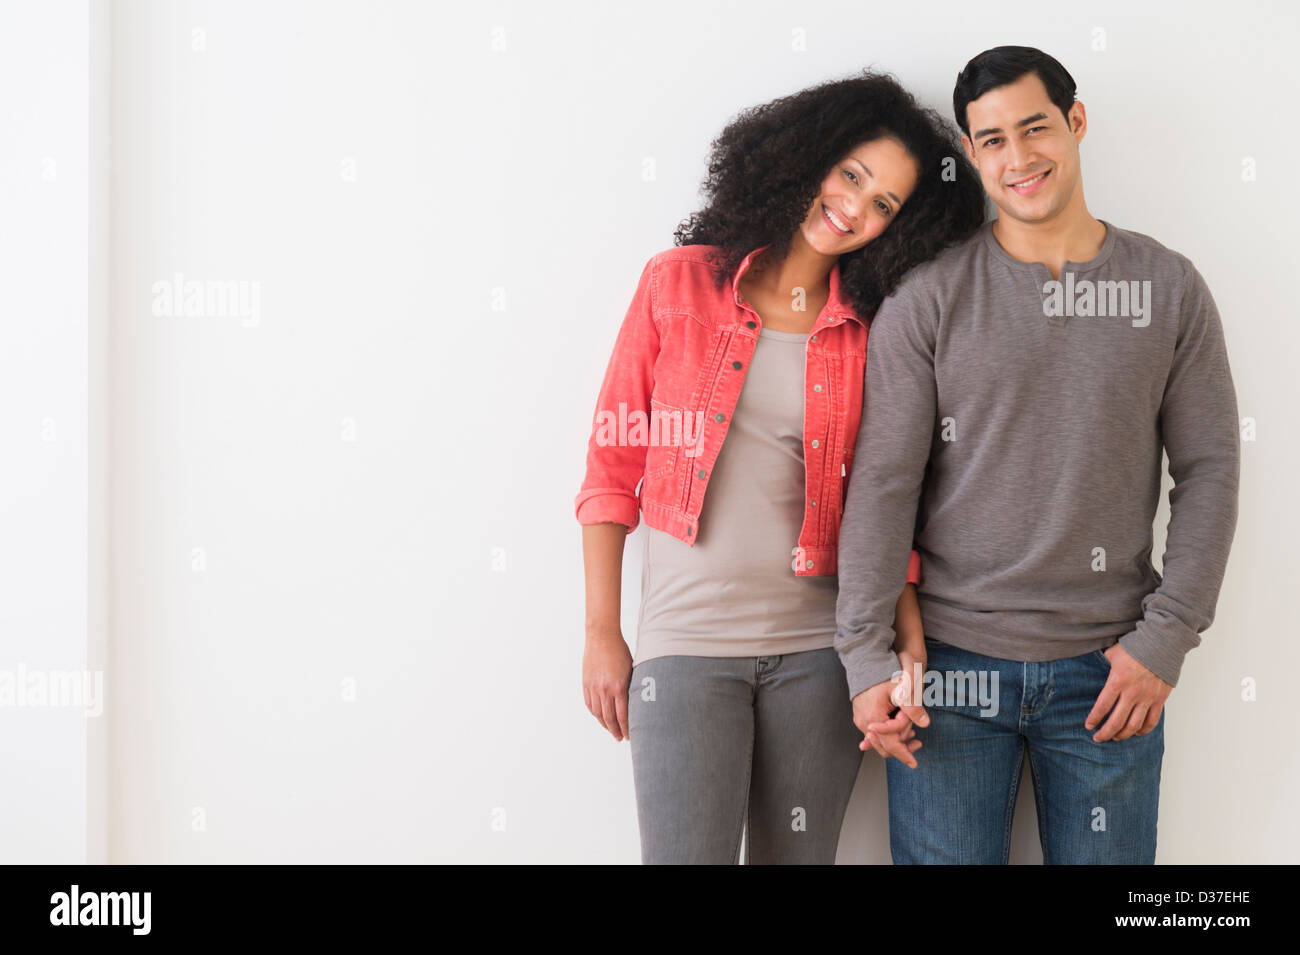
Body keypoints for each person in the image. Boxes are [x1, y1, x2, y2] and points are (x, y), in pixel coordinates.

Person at [835, 46, 1241, 864]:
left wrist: (1164, 641)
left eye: (1035, 129)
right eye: (991, 141)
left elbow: (1211, 471)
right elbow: (883, 482)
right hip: (946, 675)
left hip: (1110, 673)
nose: (1018, 159)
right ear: (973, 152)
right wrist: (864, 653)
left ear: (1076, 122)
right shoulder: (930, 296)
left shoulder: (1169, 289)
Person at [575, 70, 985, 864]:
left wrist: (904, 637)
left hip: (819, 651)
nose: (855, 209)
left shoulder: (872, 331)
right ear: (808, 155)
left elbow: (887, 495)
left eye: (885, 205)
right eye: (853, 175)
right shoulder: (677, 282)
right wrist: (601, 632)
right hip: (683, 644)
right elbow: (610, 462)